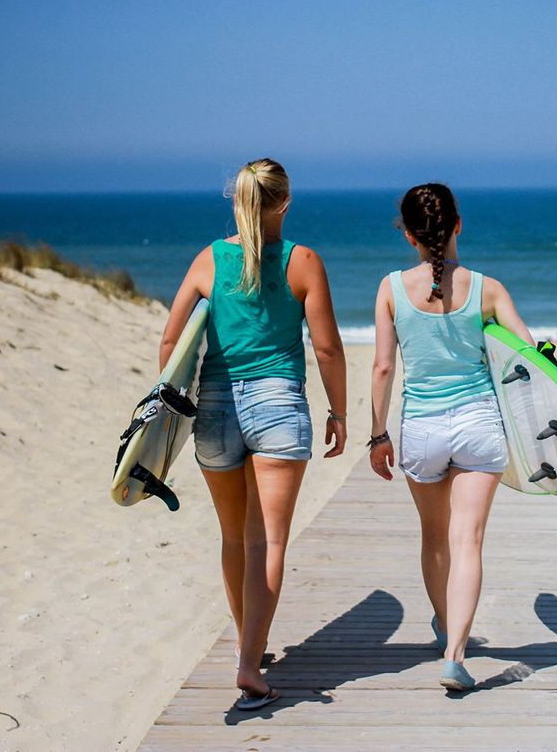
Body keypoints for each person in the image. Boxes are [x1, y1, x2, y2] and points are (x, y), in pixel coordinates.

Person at [159, 158, 347, 710]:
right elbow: (329, 347)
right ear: (285, 202)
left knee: (234, 537)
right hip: (278, 405)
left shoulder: (209, 259)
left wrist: (176, 410)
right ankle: (248, 663)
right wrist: (339, 412)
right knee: (269, 541)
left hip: (214, 408)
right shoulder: (302, 261)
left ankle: (250, 646)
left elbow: (170, 345)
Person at [368, 182, 533, 692]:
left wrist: (377, 436)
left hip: (420, 427)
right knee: (469, 541)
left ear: (409, 236)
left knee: (435, 537)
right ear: (458, 225)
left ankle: (443, 624)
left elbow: (382, 368)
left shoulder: (391, 289)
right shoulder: (489, 289)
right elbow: (529, 359)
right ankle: (455, 654)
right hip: (479, 426)